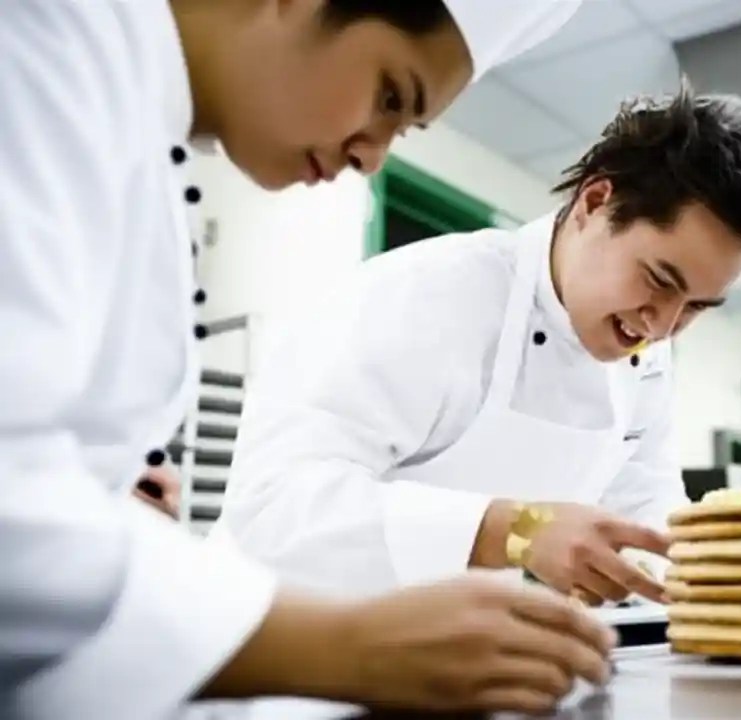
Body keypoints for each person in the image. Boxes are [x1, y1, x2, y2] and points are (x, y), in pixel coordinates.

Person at [0, 1, 619, 718]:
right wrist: (353, 646)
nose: (373, 155)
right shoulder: (42, 43)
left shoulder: (138, 113)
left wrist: (110, 502)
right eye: (391, 94)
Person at [212, 84, 741, 604]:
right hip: (290, 670)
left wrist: (719, 575)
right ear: (596, 204)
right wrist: (516, 530)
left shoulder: (646, 356)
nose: (661, 326)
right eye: (658, 280)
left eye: (697, 307)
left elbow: (645, 511)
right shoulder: (429, 297)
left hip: (448, 671)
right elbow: (274, 508)